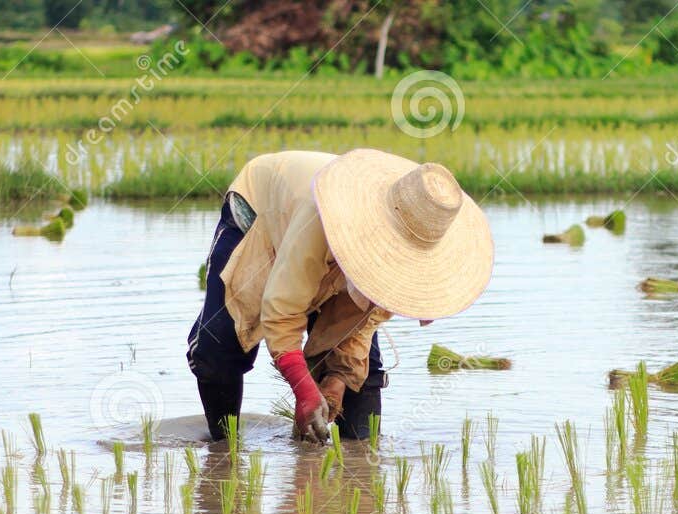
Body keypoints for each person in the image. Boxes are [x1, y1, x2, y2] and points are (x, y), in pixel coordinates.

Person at [187, 149, 494, 443]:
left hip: (333, 246)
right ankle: (224, 455)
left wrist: (337, 381)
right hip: (263, 215)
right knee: (219, 348)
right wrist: (304, 389)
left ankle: (359, 471)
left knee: (362, 378)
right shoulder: (319, 216)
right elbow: (282, 312)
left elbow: (367, 315)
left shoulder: (417, 238)